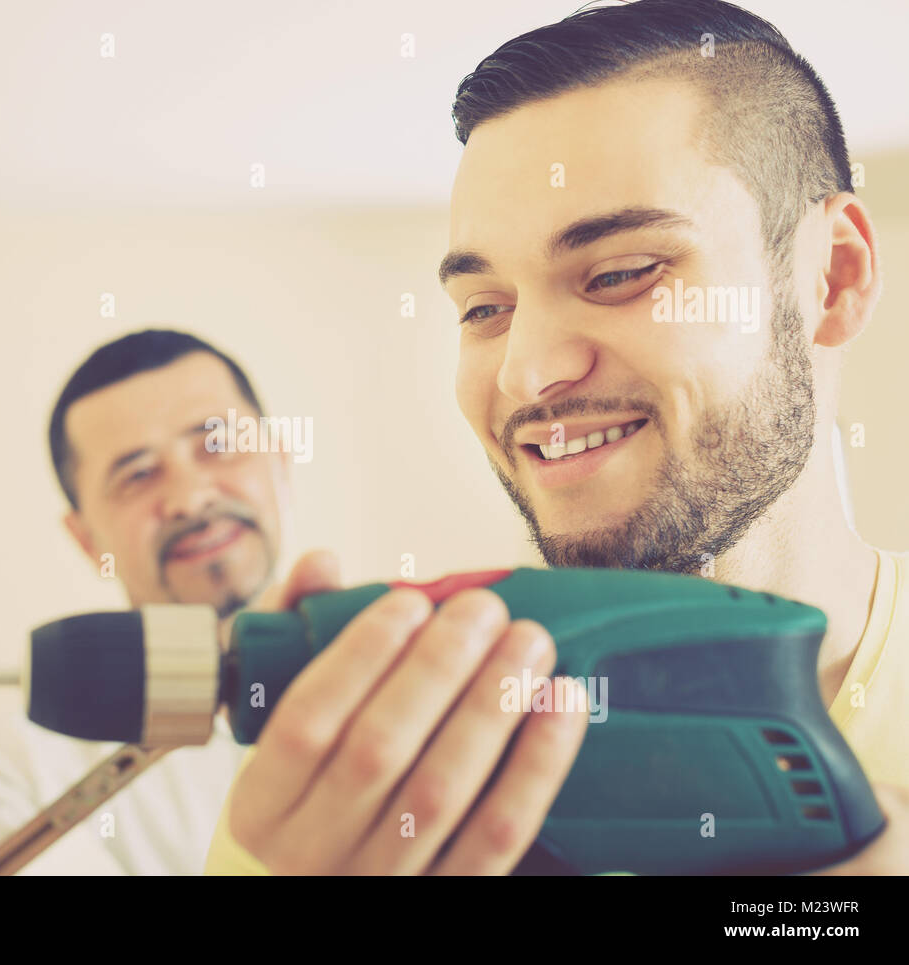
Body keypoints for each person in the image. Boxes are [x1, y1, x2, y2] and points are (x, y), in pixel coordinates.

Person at [202, 0, 909, 875]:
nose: (525, 374)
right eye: (484, 309)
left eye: (619, 273)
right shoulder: (339, 807)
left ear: (833, 278)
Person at [0, 329, 292, 874]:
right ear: (87, 538)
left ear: (280, 460)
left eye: (218, 445)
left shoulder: (407, 668)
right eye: (137, 474)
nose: (189, 496)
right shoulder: (13, 770)